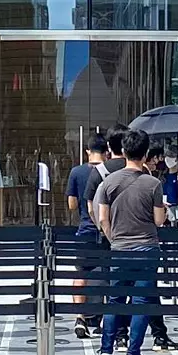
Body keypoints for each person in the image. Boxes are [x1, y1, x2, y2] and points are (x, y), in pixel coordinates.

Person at [92, 127, 166, 355]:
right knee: (141, 301)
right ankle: (133, 353)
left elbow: (102, 218)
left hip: (120, 247)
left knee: (115, 299)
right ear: (145, 155)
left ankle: (105, 351)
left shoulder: (108, 182)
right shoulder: (153, 184)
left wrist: (114, 239)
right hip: (146, 247)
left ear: (123, 151)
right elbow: (159, 220)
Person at [66, 136, 109, 340]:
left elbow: (72, 204)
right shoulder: (111, 172)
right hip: (107, 230)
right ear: (106, 151)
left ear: (87, 151)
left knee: (81, 274)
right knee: (108, 276)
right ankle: (103, 319)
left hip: (85, 228)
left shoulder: (77, 172)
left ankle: (80, 317)